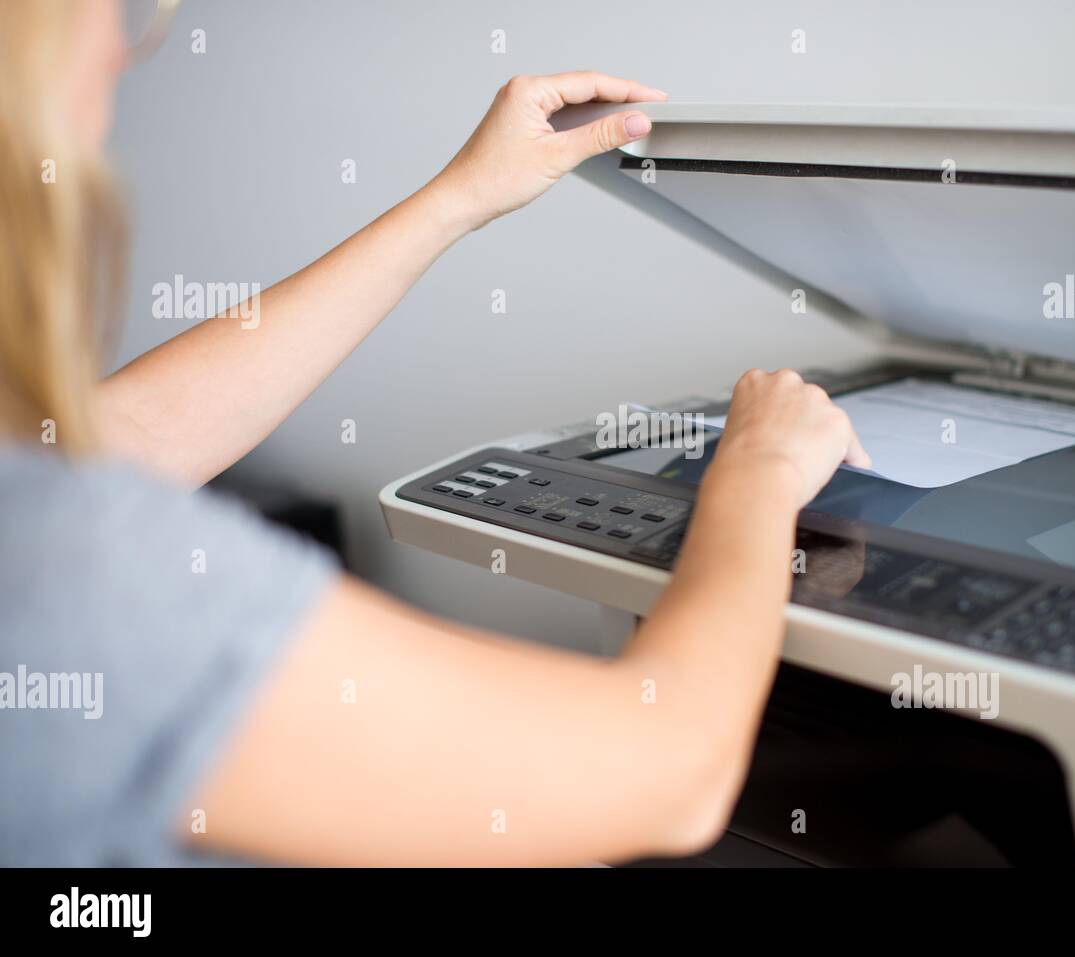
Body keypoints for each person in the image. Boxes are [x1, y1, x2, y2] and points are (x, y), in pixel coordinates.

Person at [0, 0, 871, 866]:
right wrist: (755, 467)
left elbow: (112, 440)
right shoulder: (68, 581)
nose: (121, 55)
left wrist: (458, 198)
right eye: (116, 15)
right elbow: (669, 772)